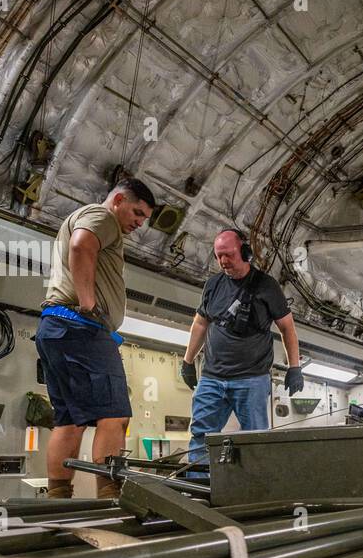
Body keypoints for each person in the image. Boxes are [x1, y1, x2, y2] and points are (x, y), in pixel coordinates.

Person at [36, 177, 155, 499]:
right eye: (137, 212)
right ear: (118, 200)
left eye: (144, 218)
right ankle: (110, 496)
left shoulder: (93, 217)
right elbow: (81, 245)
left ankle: (58, 497)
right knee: (115, 414)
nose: (139, 222)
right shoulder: (103, 218)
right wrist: (88, 303)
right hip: (82, 328)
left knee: (69, 420)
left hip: (57, 329)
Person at [182, 228, 304, 462]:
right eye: (218, 256)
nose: (223, 261)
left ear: (245, 252)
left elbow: (287, 327)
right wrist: (187, 361)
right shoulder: (213, 285)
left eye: (228, 254)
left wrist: (294, 367)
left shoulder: (266, 286)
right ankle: (198, 488)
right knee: (201, 437)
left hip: (251, 379)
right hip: (212, 377)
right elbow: (200, 324)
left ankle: (254, 492)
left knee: (254, 441)